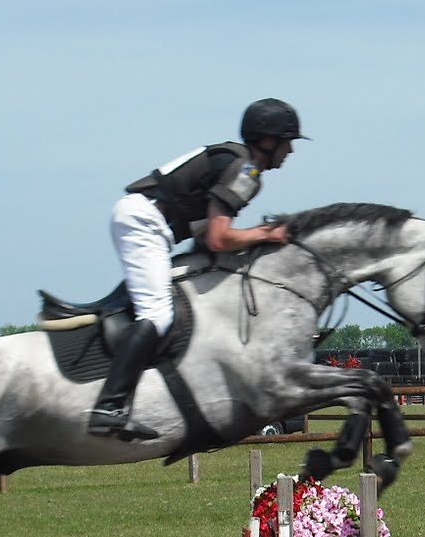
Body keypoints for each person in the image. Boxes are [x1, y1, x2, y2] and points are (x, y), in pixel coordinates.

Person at [87, 97, 307, 438]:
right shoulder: (246, 171)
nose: (291, 151)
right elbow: (219, 238)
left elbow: (207, 240)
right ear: (268, 140)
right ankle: (109, 407)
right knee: (158, 315)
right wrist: (267, 233)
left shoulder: (238, 161)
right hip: (147, 222)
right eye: (288, 141)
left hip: (150, 222)